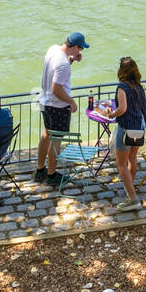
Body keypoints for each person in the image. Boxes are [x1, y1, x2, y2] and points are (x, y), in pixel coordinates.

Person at [35, 33, 88, 185]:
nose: (80, 52)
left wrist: (72, 59)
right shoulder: (63, 64)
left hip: (44, 102)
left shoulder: (53, 50)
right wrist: (72, 102)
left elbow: (56, 70)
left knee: (46, 134)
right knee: (56, 140)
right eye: (81, 49)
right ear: (75, 47)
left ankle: (40, 170)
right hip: (58, 106)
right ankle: (52, 175)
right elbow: (56, 89)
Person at [101, 56, 146, 209]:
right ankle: (130, 187)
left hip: (127, 128)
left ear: (122, 71)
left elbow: (122, 109)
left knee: (121, 165)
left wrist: (110, 114)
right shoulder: (139, 86)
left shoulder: (122, 87)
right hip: (139, 127)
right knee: (133, 158)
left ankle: (133, 199)